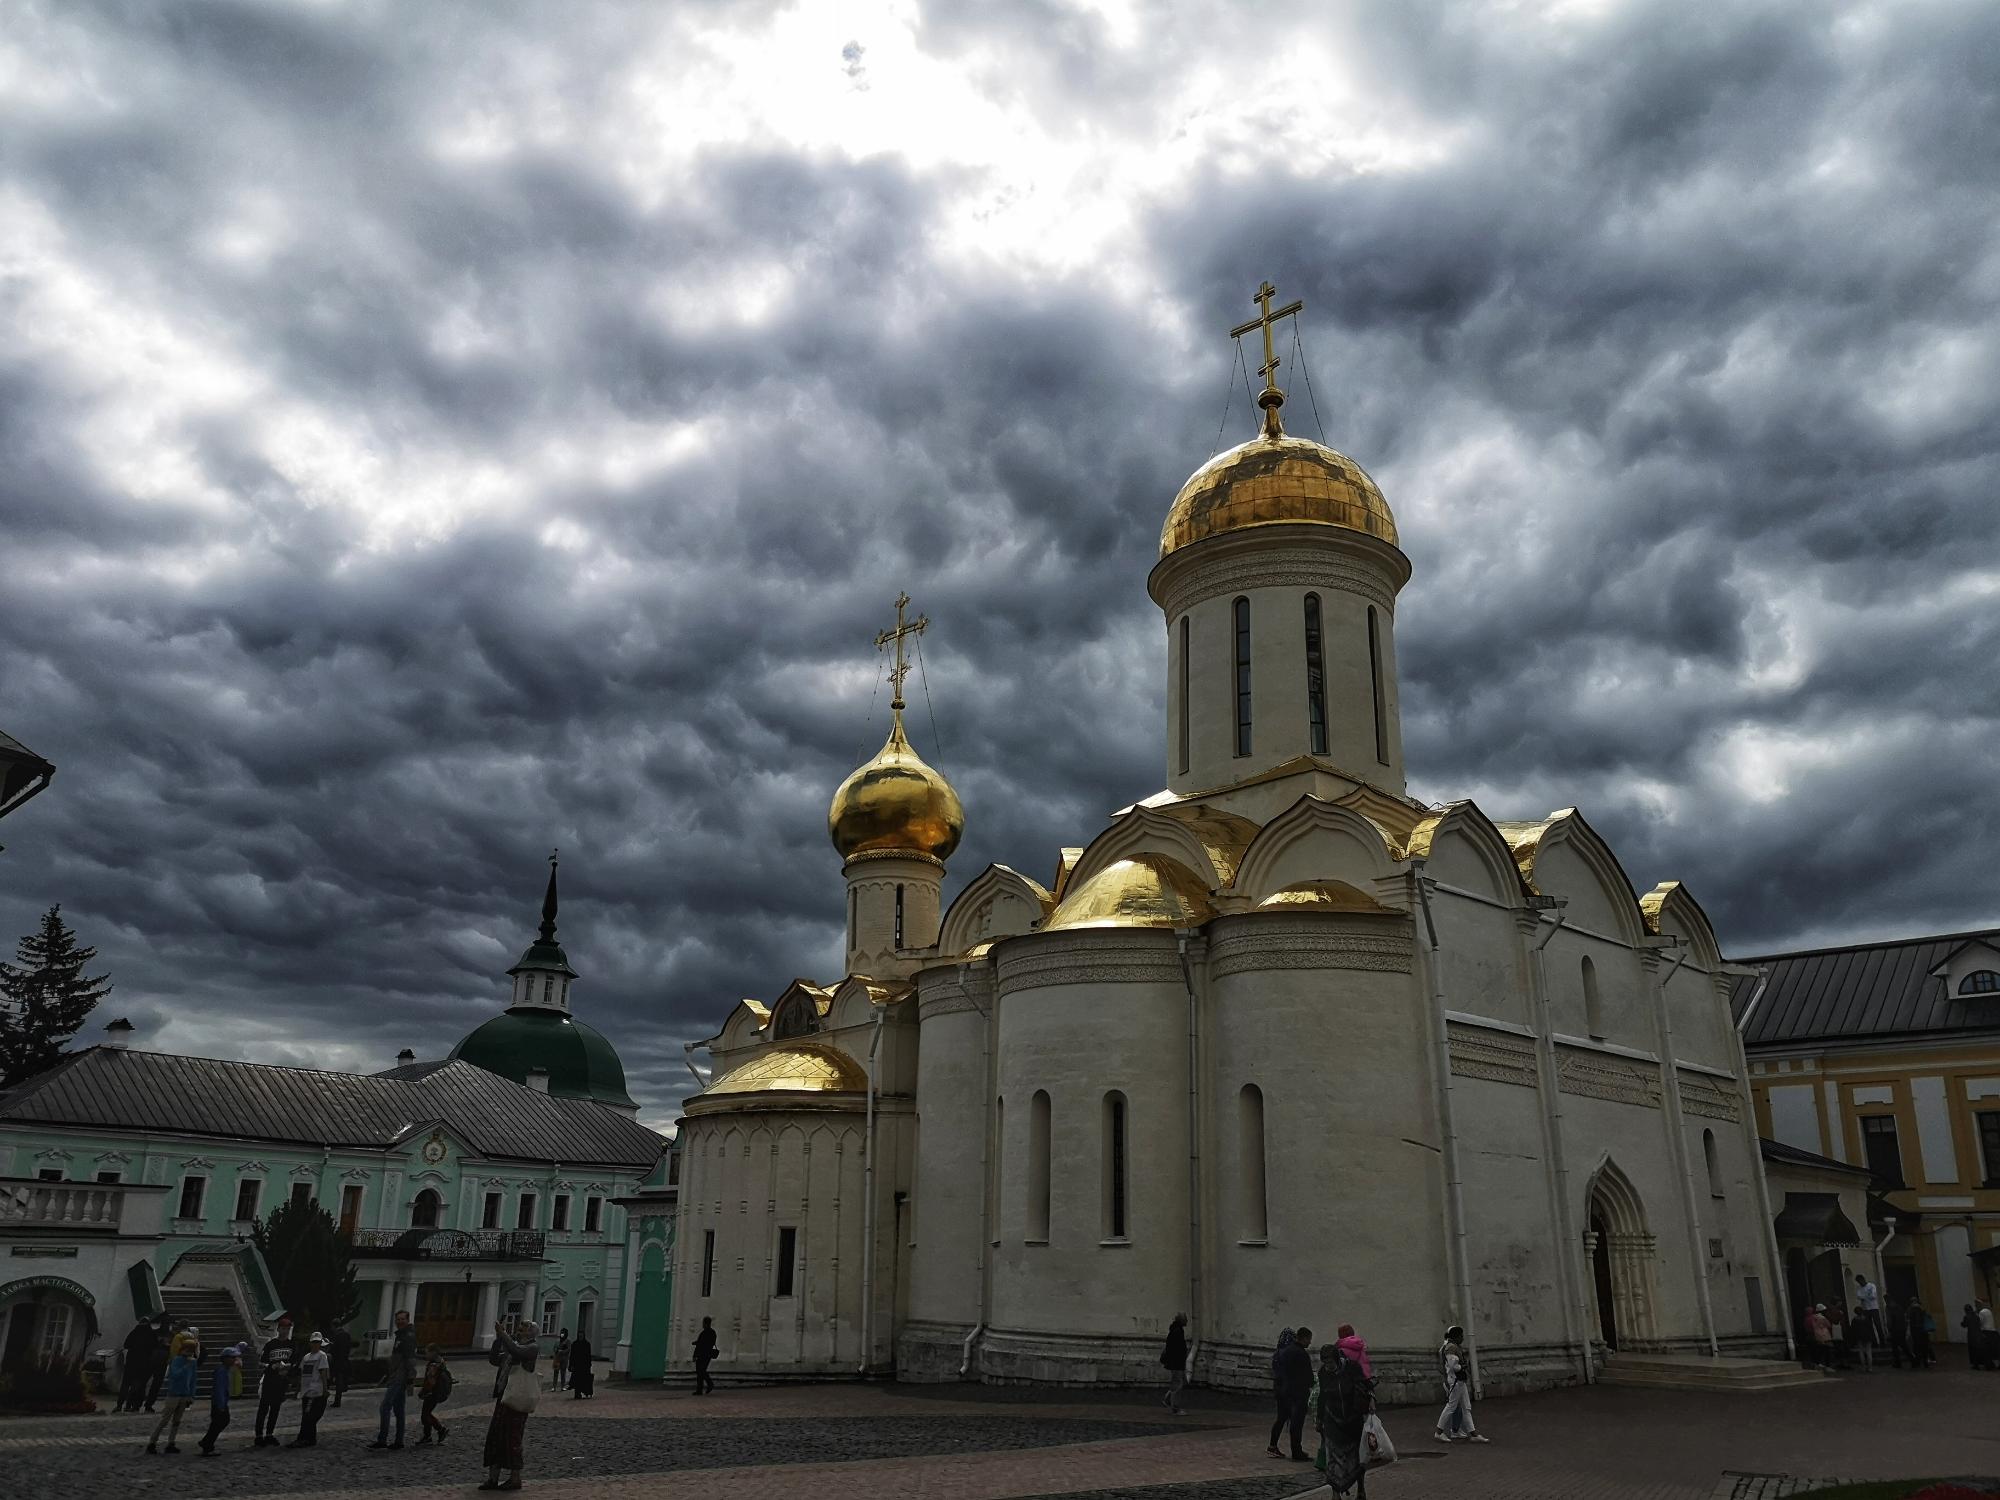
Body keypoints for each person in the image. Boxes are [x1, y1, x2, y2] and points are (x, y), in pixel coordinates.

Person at [481, 1318, 539, 1492]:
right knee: (495, 1437)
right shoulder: (512, 1346)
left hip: (516, 1399)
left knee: (512, 1438)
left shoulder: (532, 1348)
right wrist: (498, 1339)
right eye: (519, 1327)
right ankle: (493, 1478)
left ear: (531, 1333)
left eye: (524, 1328)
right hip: (503, 1397)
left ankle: (515, 1478)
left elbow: (517, 1352)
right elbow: (493, 1359)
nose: (519, 1330)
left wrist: (503, 1334)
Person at [1316, 1337, 1377, 1499]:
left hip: (1353, 1419)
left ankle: (1361, 1489)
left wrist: (1370, 1400)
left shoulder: (1352, 1368)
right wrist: (1319, 1418)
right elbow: (1322, 1396)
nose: (1328, 1366)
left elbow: (1366, 1386)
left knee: (1357, 1459)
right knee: (1333, 1460)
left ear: (1336, 1358)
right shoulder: (1323, 1373)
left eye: (1330, 1362)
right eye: (1325, 1363)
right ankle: (1336, 1494)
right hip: (1333, 1421)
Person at [146, 1333, 201, 1454]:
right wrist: (185, 1367)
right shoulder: (176, 1360)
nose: (190, 1352)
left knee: (177, 1421)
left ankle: (171, 1442)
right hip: (173, 1394)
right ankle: (152, 1441)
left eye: (191, 1350)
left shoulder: (193, 1363)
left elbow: (193, 1380)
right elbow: (174, 1375)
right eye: (188, 1349)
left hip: (184, 1395)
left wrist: (192, 1395)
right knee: (165, 1420)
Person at [371, 1308, 417, 1449]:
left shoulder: (407, 1337)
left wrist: (410, 1379)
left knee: (385, 1407)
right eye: (398, 1319)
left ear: (407, 1320)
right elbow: (396, 1359)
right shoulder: (401, 1335)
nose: (400, 1322)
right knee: (399, 1409)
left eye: (402, 1319)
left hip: (400, 1378)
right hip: (395, 1375)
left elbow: (410, 1360)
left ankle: (383, 1439)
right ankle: (399, 1441)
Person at [1435, 1324, 1488, 1440]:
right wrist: (1463, 1366)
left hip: (1459, 1380)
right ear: (1456, 1337)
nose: (1463, 1338)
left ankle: (1473, 1433)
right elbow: (1453, 1366)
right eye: (1461, 1336)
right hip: (1455, 1380)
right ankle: (1439, 1432)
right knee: (1451, 1406)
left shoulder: (1450, 1347)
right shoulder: (1451, 1348)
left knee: (1466, 1407)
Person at [197, 1345, 240, 1457]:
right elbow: (219, 1389)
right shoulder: (221, 1371)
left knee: (218, 1423)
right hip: (219, 1402)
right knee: (220, 1422)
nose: (234, 1360)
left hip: (220, 1401)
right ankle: (207, 1444)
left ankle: (207, 1442)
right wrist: (221, 1404)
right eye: (232, 1358)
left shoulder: (223, 1370)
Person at [290, 1333, 331, 1448]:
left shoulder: (322, 1356)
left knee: (309, 1416)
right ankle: (309, 1438)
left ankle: (304, 1438)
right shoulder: (306, 1357)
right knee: (306, 1415)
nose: (315, 1345)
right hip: (306, 1390)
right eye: (314, 1342)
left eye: (318, 1342)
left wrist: (325, 1389)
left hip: (315, 1390)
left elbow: (323, 1373)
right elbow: (302, 1374)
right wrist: (297, 1390)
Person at [253, 1341, 293, 1446]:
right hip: (269, 1381)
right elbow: (261, 1362)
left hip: (281, 1382)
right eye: (283, 1328)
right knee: (263, 1408)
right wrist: (271, 1366)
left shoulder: (291, 1345)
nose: (285, 1330)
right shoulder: (270, 1344)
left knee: (275, 1409)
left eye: (287, 1328)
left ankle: (269, 1434)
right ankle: (258, 1436)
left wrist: (288, 1367)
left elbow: (295, 1362)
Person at [118, 1317, 158, 1412]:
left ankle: (120, 1405)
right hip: (144, 1363)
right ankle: (133, 1404)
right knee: (138, 1385)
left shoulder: (134, 1332)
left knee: (126, 1384)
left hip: (131, 1361)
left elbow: (126, 1344)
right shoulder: (151, 1334)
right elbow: (154, 1347)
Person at [1264, 1327, 1294, 1457]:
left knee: (1281, 1418)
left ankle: (1273, 1444)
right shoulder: (1287, 1354)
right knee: (1284, 1418)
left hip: (1279, 1388)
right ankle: (1274, 1445)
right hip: (1285, 1389)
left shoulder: (1278, 1353)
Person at [418, 1345, 455, 1443]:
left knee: (425, 1414)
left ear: (433, 1352)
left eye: (427, 1352)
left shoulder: (434, 1365)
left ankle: (438, 1430)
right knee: (426, 1413)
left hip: (432, 1392)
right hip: (437, 1391)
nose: (426, 1355)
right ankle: (430, 1434)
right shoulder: (440, 1361)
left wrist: (423, 1392)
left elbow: (431, 1381)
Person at [1159, 1312, 1188, 1416]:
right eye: (1185, 1319)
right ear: (1181, 1320)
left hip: (1176, 1362)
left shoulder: (1175, 1330)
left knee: (1176, 1383)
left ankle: (1168, 1400)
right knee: (1178, 1384)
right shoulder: (1177, 1331)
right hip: (1177, 1362)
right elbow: (1176, 1349)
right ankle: (1175, 1408)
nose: (1187, 1321)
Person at [692, 1317, 718, 1396]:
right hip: (707, 1354)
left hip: (703, 1354)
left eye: (703, 1323)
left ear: (705, 1323)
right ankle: (701, 1388)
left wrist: (695, 1354)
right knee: (701, 1371)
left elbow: (700, 1344)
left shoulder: (704, 1333)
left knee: (701, 1371)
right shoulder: (712, 1332)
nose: (703, 1324)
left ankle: (708, 1385)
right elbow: (710, 1343)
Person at [329, 1325, 353, 1407]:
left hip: (337, 1361)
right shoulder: (347, 1335)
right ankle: (337, 1399)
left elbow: (333, 1348)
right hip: (344, 1360)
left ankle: (335, 1400)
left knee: (336, 1381)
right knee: (340, 1380)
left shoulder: (336, 1336)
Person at [1850, 1301, 1877, 1372]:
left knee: (1861, 1351)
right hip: (1867, 1336)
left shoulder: (1854, 1320)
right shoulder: (1867, 1319)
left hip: (1859, 1336)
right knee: (1868, 1351)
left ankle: (1863, 1367)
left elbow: (1853, 1330)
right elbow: (1871, 1328)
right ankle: (1870, 1367)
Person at [1907, 1296, 1935, 1367]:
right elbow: (1928, 1317)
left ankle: (1918, 1362)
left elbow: (1909, 1321)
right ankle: (1926, 1361)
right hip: (1923, 1330)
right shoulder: (1922, 1309)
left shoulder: (1910, 1310)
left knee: (1917, 1347)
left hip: (1916, 1332)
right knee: (1925, 1346)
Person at [1806, 1304, 1833, 1369]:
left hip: (1817, 1335)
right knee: (1827, 1350)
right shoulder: (1822, 1318)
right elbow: (1828, 1325)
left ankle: (1818, 1363)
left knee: (1819, 1350)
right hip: (1824, 1335)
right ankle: (1827, 1365)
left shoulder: (1813, 1318)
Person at [1961, 1304, 1987, 1369]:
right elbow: (1979, 1323)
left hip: (1971, 1335)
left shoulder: (1966, 1316)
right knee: (1979, 1349)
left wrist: (1962, 1323)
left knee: (1973, 1350)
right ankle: (1982, 1363)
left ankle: (1976, 1365)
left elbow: (1964, 1325)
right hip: (1978, 1334)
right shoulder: (1976, 1316)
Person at [569, 1330, 594, 1398]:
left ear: (583, 1336)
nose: (580, 1337)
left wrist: (589, 1364)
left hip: (584, 1366)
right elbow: (572, 1355)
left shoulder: (587, 1344)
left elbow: (588, 1355)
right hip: (577, 1366)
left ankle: (585, 1392)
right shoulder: (574, 1344)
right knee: (577, 1380)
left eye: (581, 1336)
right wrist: (571, 1365)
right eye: (579, 1336)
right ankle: (577, 1394)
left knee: (584, 1380)